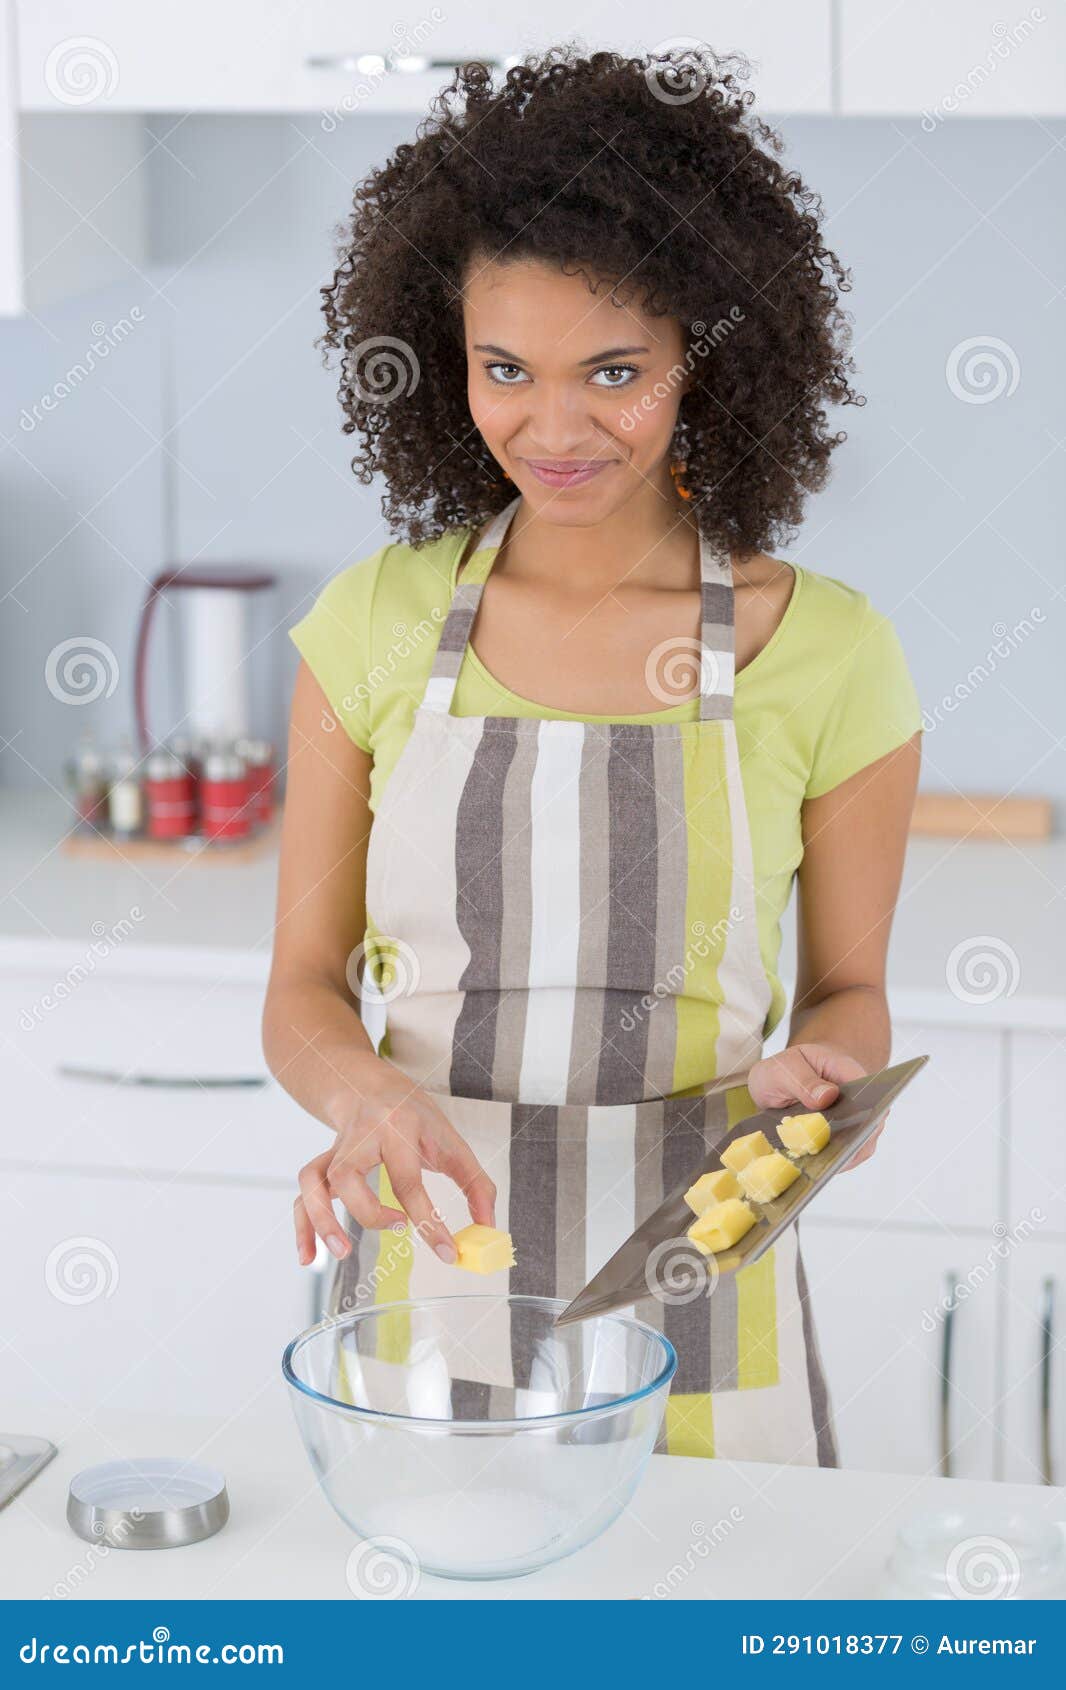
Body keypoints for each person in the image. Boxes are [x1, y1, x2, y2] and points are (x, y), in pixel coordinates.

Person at [263, 46, 923, 1463]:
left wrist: (830, 1076)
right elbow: (301, 988)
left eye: (613, 373)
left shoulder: (827, 649)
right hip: (426, 1285)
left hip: (703, 1293)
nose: (552, 428)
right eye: (504, 369)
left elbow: (852, 993)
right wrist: (364, 1096)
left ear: (706, 359)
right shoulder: (372, 622)